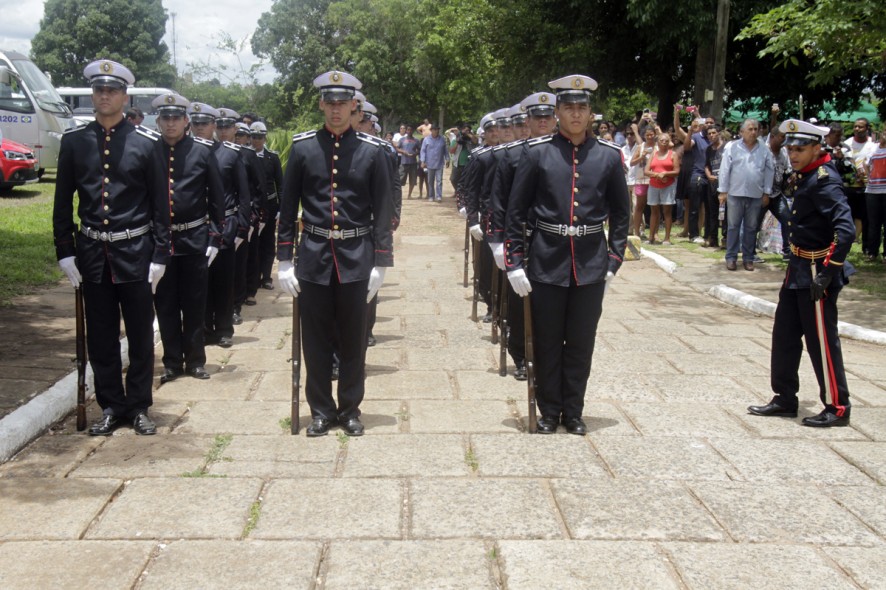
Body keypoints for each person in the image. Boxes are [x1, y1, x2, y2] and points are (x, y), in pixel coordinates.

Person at [505, 74, 629, 435]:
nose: (576, 114)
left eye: (582, 108)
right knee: (546, 342)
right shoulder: (536, 153)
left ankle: (573, 411)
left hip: (590, 263)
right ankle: (549, 410)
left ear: (591, 113)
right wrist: (514, 262)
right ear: (557, 112)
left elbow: (621, 213)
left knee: (580, 342)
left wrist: (615, 259)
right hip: (546, 260)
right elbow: (516, 211)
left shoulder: (608, 156)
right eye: (569, 107)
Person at [52, 59, 169, 436]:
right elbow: (62, 201)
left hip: (135, 252)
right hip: (92, 255)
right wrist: (64, 250)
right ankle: (110, 405)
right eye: (99, 90)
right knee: (101, 336)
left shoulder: (146, 143)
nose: (105, 96)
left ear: (125, 96)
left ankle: (138, 406)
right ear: (93, 94)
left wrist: (160, 254)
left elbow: (160, 205)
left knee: (139, 335)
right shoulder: (74, 142)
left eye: (112, 90)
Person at [277, 71, 393, 437]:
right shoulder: (303, 148)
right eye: (330, 103)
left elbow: (383, 209)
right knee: (315, 340)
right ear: (321, 105)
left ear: (354, 105)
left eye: (343, 103)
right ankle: (321, 411)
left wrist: (382, 261)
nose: (336, 109)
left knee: (353, 340)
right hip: (314, 256)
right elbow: (287, 206)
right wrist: (284, 259)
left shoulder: (372, 151)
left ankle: (350, 409)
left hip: (357, 256)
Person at [748, 119, 856, 427]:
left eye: (800, 149)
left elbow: (846, 231)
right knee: (784, 335)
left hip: (817, 271)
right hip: (798, 267)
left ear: (817, 148)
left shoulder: (825, 180)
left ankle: (837, 406)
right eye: (790, 149)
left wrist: (828, 272)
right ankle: (784, 398)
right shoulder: (807, 175)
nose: (793, 155)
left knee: (821, 341)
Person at [151, 93, 226, 385]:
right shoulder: (150, 151)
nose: (170, 123)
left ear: (186, 121)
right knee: (165, 304)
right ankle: (171, 362)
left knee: (195, 304)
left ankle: (195, 360)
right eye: (165, 118)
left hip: (194, 238)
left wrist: (215, 237)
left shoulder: (202, 152)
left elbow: (216, 198)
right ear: (158, 121)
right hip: (161, 242)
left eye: (176, 118)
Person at [488, 91, 556, 380]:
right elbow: (499, 201)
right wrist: (497, 241)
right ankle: (520, 355)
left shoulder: (564, 153)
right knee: (519, 302)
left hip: (551, 240)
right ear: (527, 120)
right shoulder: (512, 154)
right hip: (521, 237)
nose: (542, 122)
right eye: (537, 117)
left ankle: (546, 355)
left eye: (547, 117)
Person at [189, 103, 250, 347]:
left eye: (204, 124)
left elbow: (243, 194)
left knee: (223, 281)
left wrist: (242, 228)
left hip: (225, 225)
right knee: (200, 283)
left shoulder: (230, 154)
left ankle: (224, 328)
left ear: (213, 126)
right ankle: (204, 328)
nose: (199, 128)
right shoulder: (186, 153)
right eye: (195, 124)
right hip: (197, 226)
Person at [718, 118, 774, 271]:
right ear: (742, 132)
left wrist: (766, 192)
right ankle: (731, 257)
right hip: (735, 193)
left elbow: (769, 171)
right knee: (733, 227)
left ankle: (748, 258)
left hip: (756, 194)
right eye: (750, 129)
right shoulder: (732, 147)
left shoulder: (764, 149)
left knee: (751, 227)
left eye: (755, 129)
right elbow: (724, 169)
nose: (753, 132)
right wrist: (723, 191)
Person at [251, 121, 283, 290]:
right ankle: (254, 276)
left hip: (270, 205)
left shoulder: (272, 158)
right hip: (253, 206)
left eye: (259, 137)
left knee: (268, 241)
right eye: (254, 137)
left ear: (265, 138)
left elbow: (280, 184)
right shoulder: (245, 155)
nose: (256, 140)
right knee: (254, 242)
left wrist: (281, 209)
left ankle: (267, 276)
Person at [844, 118, 877, 253]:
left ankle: (867, 247)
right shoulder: (847, 143)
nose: (857, 129)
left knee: (866, 217)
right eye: (855, 126)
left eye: (860, 127)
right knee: (847, 215)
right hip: (848, 186)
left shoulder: (873, 145)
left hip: (866, 186)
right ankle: (845, 243)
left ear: (867, 128)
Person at [644, 131, 681, 245]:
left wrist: (665, 174)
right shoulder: (653, 154)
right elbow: (646, 171)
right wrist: (657, 175)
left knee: (667, 212)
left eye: (666, 141)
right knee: (654, 211)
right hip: (654, 185)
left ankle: (667, 238)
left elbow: (677, 171)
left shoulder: (673, 154)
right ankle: (651, 237)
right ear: (657, 142)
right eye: (661, 140)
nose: (664, 142)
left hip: (668, 185)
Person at [864, 124, 886, 262]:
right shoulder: (873, 148)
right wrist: (868, 177)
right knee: (873, 223)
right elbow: (866, 163)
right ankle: (872, 252)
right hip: (872, 190)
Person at [630, 126, 656, 241]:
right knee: (639, 206)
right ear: (644, 136)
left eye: (651, 134)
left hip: (655, 179)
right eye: (647, 135)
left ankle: (654, 233)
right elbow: (631, 163)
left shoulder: (658, 146)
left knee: (655, 207)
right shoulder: (640, 147)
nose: (649, 137)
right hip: (641, 179)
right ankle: (637, 231)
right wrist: (642, 157)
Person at [420, 123, 449, 202]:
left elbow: (445, 150)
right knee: (430, 181)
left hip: (439, 163)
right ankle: (431, 196)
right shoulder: (426, 139)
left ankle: (439, 196)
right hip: (429, 164)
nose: (436, 131)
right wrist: (422, 161)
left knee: (439, 181)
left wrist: (447, 159)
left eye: (437, 130)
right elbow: (423, 151)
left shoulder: (442, 139)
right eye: (435, 129)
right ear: (431, 130)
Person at [396, 125, 419, 199]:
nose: (409, 131)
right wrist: (403, 152)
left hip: (413, 162)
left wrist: (415, 154)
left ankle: (409, 195)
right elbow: (397, 148)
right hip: (404, 162)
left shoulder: (416, 140)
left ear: (413, 131)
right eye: (408, 130)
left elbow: (419, 150)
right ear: (406, 131)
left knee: (412, 179)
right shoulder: (402, 140)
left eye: (411, 130)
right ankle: (398, 195)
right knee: (400, 179)